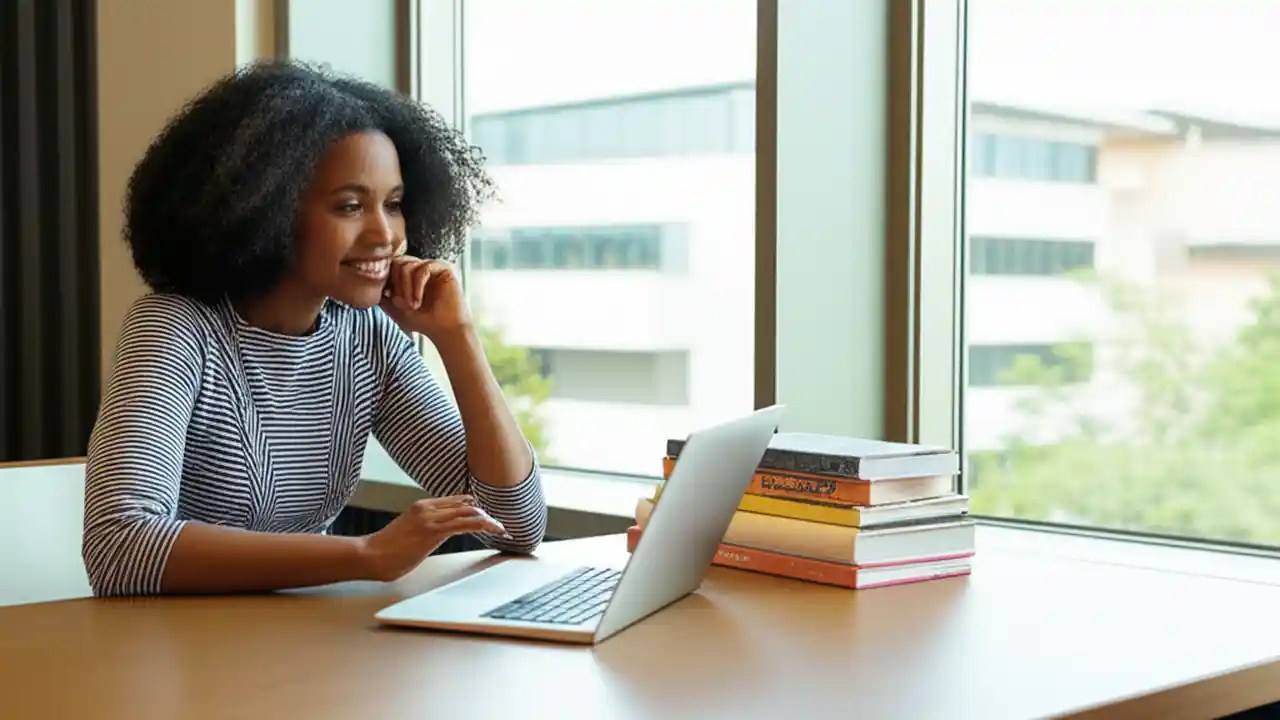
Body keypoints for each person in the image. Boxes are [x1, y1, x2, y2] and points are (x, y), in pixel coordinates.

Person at [82, 61, 547, 597]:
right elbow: (119, 547)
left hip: (305, 645)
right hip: (176, 652)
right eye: (350, 206)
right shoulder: (175, 327)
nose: (386, 235)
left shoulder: (365, 335)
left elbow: (515, 524)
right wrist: (366, 554)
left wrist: (457, 338)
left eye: (393, 205)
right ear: (267, 210)